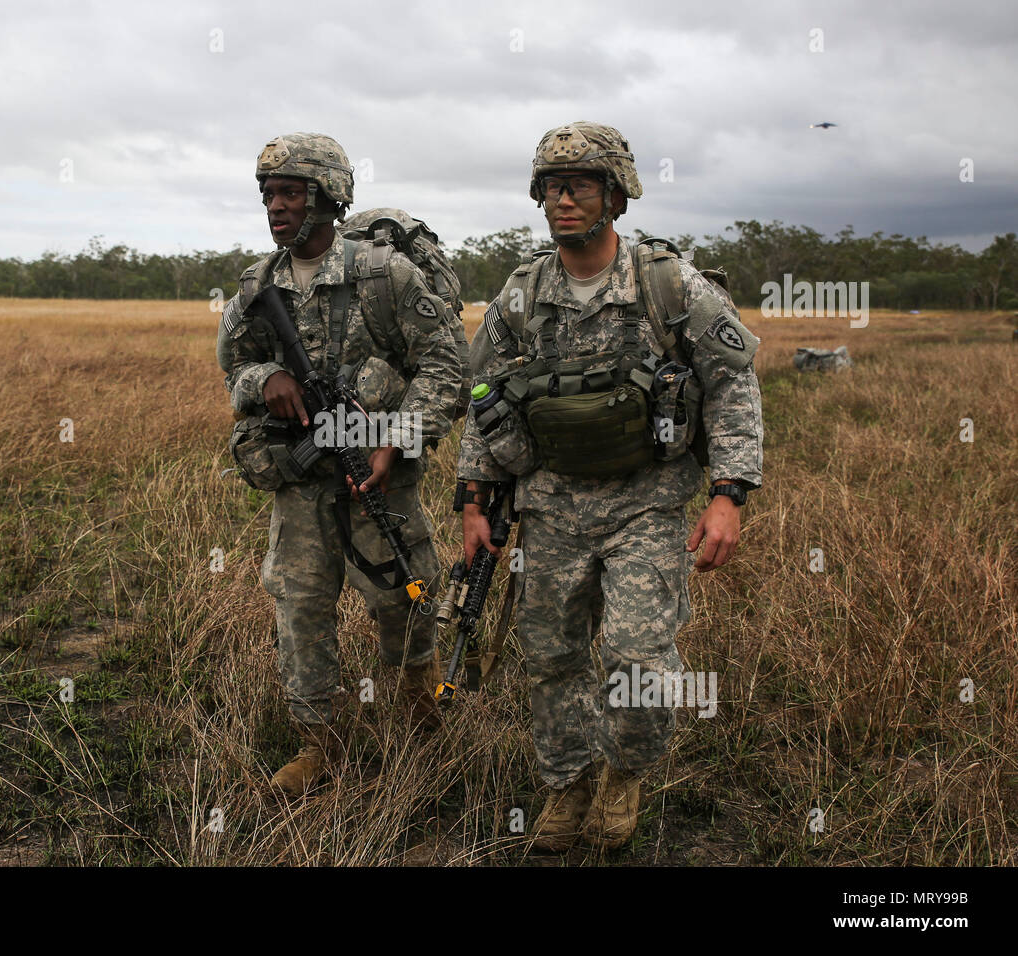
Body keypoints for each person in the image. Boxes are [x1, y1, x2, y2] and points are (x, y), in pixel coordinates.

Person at [455, 122, 764, 851]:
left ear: (615, 196)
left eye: (580, 185)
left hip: (647, 504)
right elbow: (482, 393)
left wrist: (729, 493)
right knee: (552, 655)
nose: (562, 200)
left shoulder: (667, 283)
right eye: (551, 187)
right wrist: (474, 500)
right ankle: (566, 785)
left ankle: (624, 775)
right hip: (551, 507)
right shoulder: (524, 292)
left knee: (637, 657)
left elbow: (731, 384)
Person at [217, 132, 464, 797]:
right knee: (299, 607)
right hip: (302, 485)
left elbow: (446, 366)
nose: (276, 207)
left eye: (291, 193)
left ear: (327, 196)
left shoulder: (384, 275)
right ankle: (316, 745)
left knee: (405, 598)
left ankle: (417, 705)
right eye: (269, 194)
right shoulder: (257, 286)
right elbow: (233, 367)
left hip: (376, 474)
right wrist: (267, 376)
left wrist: (394, 443)